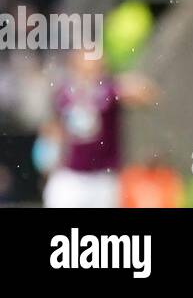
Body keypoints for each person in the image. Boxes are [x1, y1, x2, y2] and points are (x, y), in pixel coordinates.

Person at [41, 50, 157, 208]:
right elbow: (54, 129)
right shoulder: (65, 93)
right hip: (71, 174)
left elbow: (146, 95)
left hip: (103, 176)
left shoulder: (110, 89)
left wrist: (127, 84)